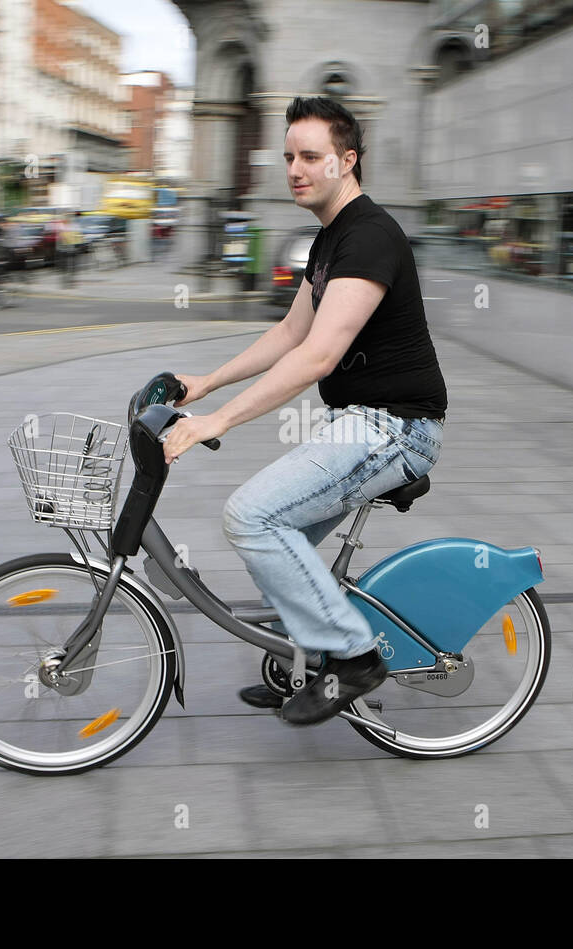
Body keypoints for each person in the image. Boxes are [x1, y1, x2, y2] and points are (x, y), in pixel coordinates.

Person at [162, 96, 447, 725]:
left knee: (253, 517)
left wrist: (217, 423)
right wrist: (204, 384)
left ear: (347, 161)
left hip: (396, 428)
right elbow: (290, 334)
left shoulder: (370, 236)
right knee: (274, 544)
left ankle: (353, 660)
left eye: (310, 156)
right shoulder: (330, 240)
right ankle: (308, 662)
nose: (294, 168)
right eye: (289, 155)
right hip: (363, 425)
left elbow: (318, 356)